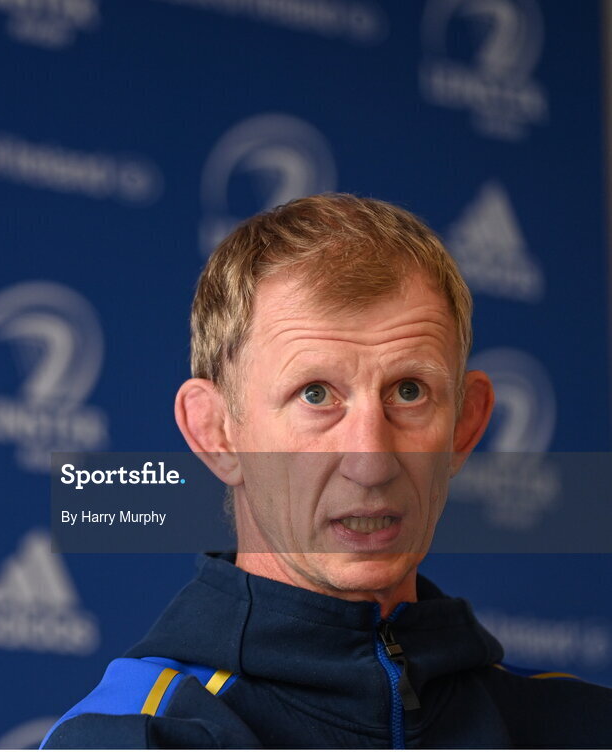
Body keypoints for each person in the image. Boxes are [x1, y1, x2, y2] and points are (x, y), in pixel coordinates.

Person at [41, 194, 612, 749]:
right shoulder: (133, 738)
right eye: (316, 395)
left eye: (409, 392)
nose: (371, 461)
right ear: (217, 433)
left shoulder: (581, 729)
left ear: (464, 424)